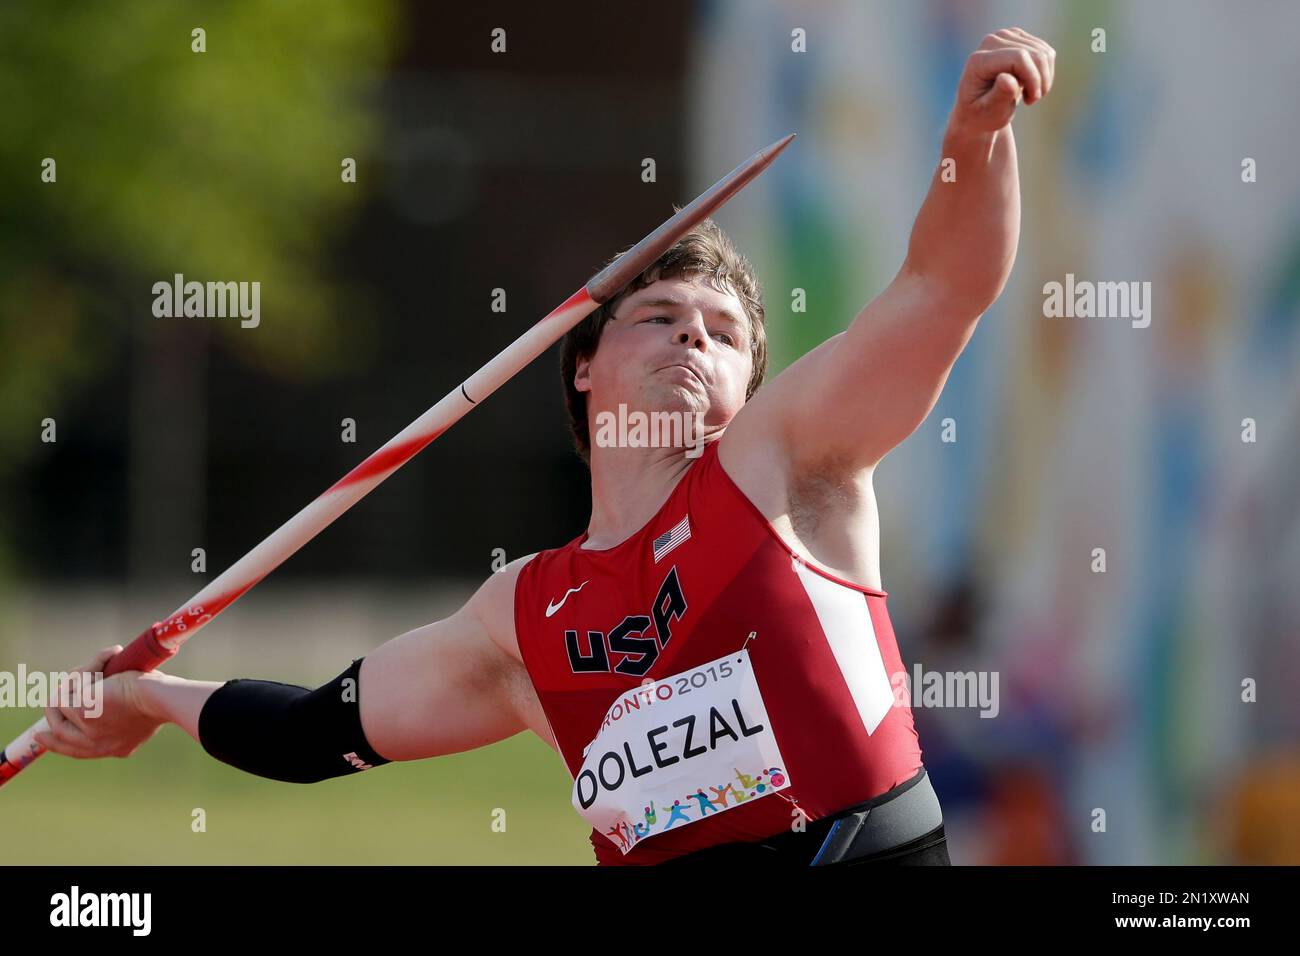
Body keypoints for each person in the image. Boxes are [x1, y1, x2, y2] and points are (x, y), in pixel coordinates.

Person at [37, 27, 1055, 866]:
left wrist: (975, 138)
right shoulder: (522, 617)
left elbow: (939, 289)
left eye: (724, 331)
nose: (694, 336)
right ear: (582, 363)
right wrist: (148, 698)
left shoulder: (787, 462)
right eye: (658, 315)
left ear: (751, 381)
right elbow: (316, 729)